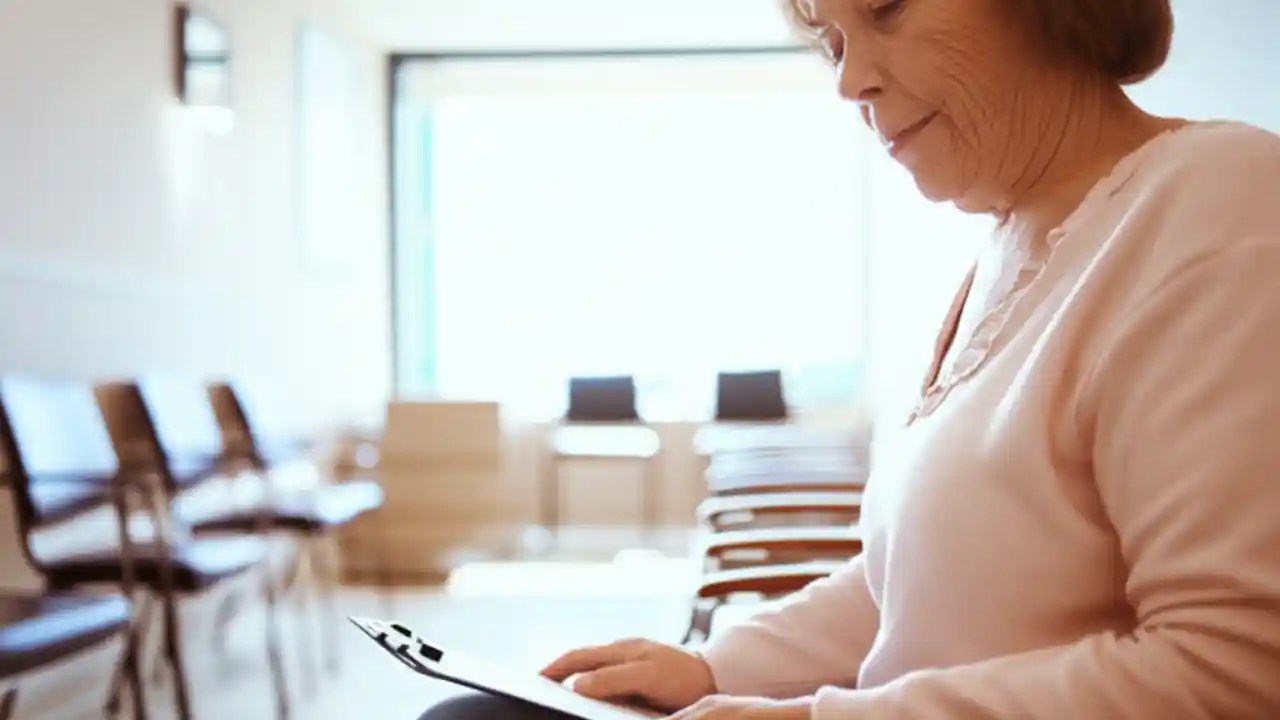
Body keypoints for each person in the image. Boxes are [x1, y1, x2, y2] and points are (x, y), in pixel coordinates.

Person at [422, 0, 1280, 717]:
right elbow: (900, 587)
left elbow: (1234, 672)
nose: (847, 79)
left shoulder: (1220, 200)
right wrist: (717, 667)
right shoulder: (1005, 252)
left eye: (885, 8)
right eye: (832, 39)